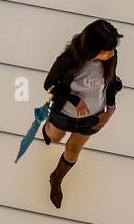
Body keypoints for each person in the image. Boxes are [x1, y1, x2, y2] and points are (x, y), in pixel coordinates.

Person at [40, 19, 123, 210]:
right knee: (54, 137)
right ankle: (47, 128)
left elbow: (110, 82)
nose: (111, 53)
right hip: (65, 113)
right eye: (106, 50)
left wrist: (110, 109)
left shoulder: (111, 57)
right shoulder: (68, 61)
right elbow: (50, 85)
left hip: (91, 116)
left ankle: (56, 178)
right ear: (92, 48)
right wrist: (75, 100)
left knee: (73, 149)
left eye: (112, 49)